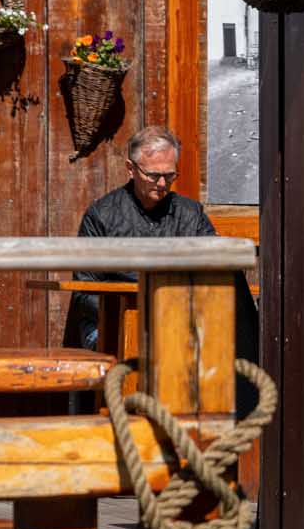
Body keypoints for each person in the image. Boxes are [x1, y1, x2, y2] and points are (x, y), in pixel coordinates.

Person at [72, 126, 260, 408]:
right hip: (113, 323)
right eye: (153, 175)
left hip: (181, 319)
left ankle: (227, 425)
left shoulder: (190, 213)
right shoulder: (102, 215)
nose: (161, 183)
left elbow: (215, 261)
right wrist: (139, 310)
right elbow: (83, 292)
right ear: (130, 169)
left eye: (169, 175)